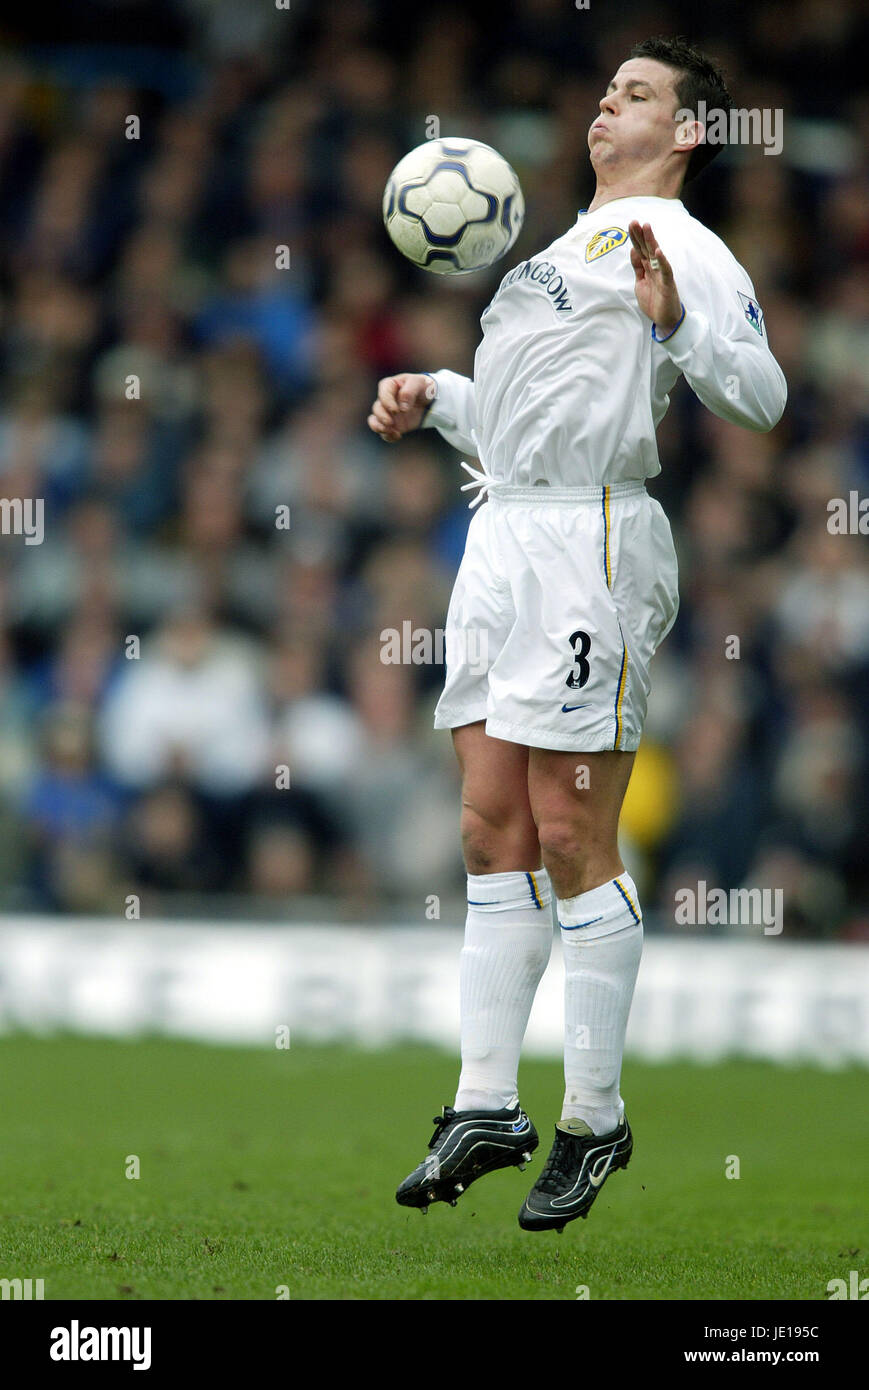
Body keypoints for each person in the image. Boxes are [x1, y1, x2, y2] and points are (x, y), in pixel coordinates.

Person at [367, 36, 786, 1233]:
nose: (611, 105)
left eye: (640, 94)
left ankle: (593, 1118)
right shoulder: (555, 248)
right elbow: (524, 417)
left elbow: (760, 398)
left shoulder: (687, 249)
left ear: (689, 129)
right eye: (607, 91)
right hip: (503, 535)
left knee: (567, 828)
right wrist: (437, 398)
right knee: (487, 821)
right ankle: (484, 1103)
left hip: (594, 546)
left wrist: (675, 326)